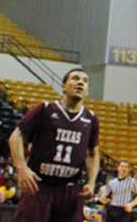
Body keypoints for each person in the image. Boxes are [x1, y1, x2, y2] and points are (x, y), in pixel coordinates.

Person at [9, 68, 101, 222]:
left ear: (87, 91)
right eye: (75, 78)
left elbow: (93, 153)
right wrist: (21, 167)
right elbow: (15, 136)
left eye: (85, 81)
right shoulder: (45, 109)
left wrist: (91, 182)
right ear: (63, 86)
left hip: (70, 190)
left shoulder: (91, 119)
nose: (80, 83)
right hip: (40, 185)